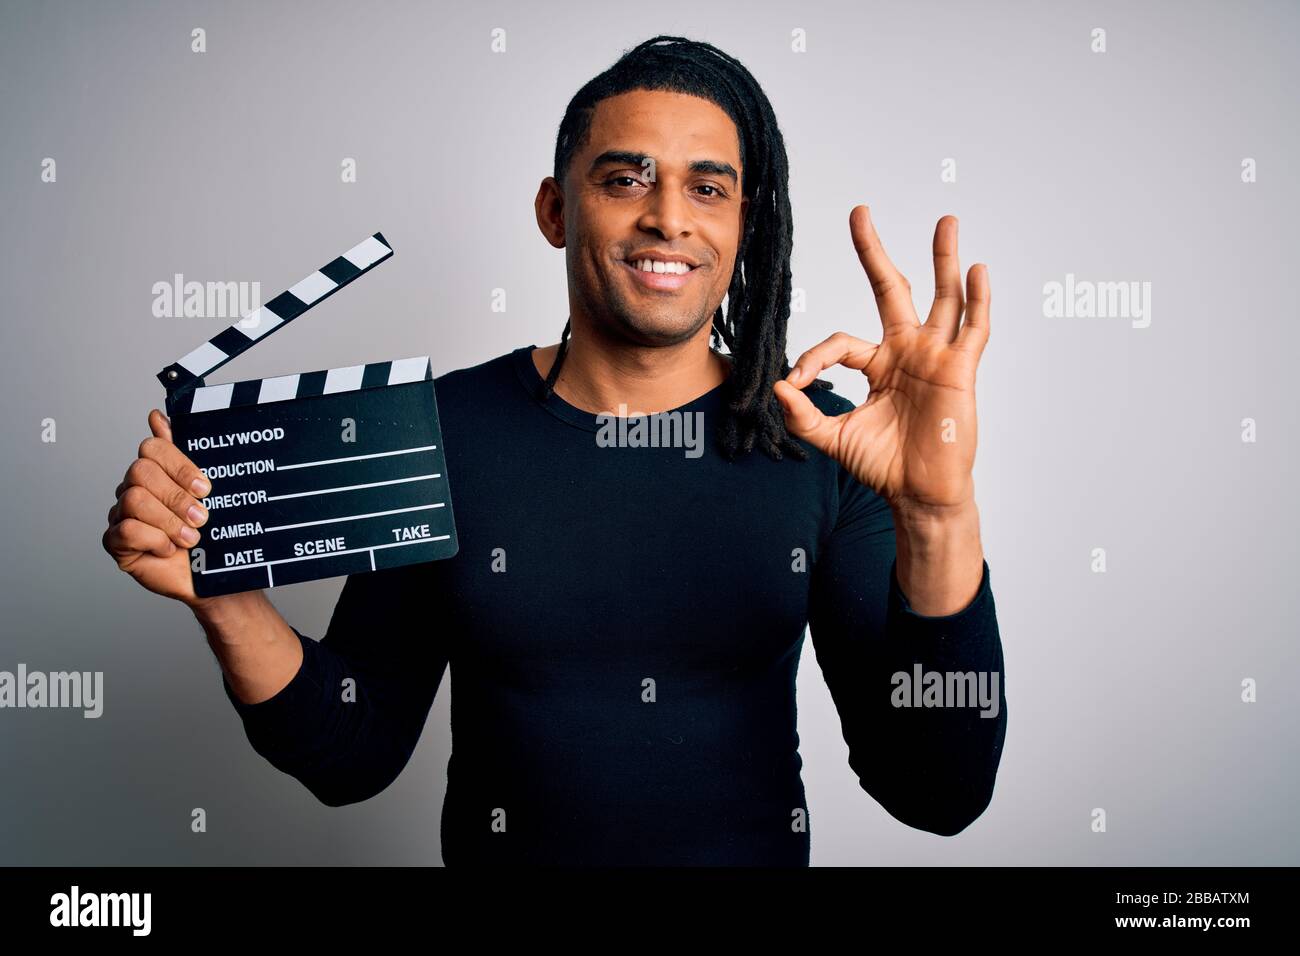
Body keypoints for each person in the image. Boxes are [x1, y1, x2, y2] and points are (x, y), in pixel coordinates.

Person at [102, 35, 1006, 866]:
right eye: (625, 180)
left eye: (707, 187)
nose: (667, 219)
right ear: (553, 209)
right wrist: (221, 598)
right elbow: (355, 753)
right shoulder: (441, 433)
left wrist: (938, 515)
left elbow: (937, 792)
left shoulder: (819, 441)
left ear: (743, 225)